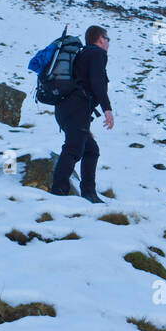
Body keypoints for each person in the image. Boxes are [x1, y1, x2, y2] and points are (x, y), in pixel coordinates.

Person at [51, 25, 115, 202]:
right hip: (75, 109)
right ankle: (58, 193)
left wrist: (85, 125)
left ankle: (89, 193)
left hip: (66, 109)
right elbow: (97, 82)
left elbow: (83, 86)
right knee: (73, 148)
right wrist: (107, 109)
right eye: (108, 39)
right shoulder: (97, 53)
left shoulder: (83, 54)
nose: (109, 43)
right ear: (101, 39)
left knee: (90, 149)